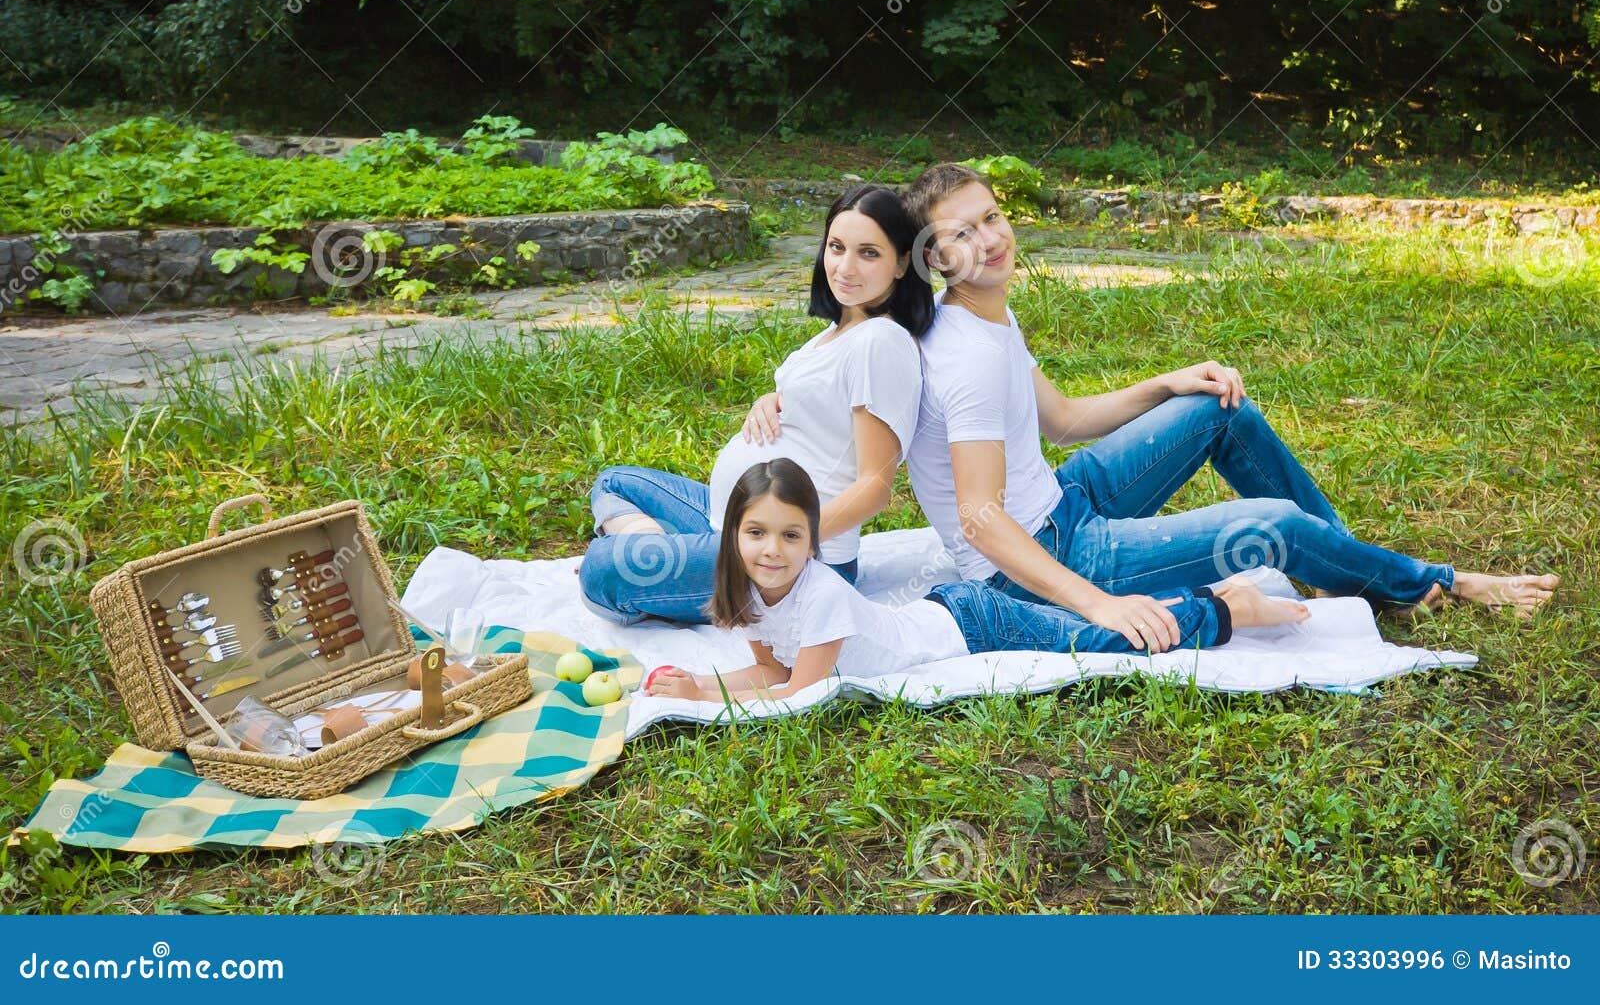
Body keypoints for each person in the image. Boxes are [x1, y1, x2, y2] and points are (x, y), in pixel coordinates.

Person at [893, 162, 1558, 654]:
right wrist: (1098, 605)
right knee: (1275, 526)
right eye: (962, 233)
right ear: (934, 257)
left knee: (1220, 408)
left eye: (991, 217)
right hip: (1044, 558)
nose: (988, 238)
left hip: (1065, 502)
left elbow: (1062, 419)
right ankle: (1435, 582)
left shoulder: (982, 315)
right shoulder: (967, 356)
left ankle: (1342, 571)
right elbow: (981, 521)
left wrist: (1169, 383)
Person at [644, 459, 1310, 702]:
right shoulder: (753, 596)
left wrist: (704, 698)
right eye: (756, 533)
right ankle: (1209, 603)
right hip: (952, 613)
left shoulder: (816, 595)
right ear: (733, 534)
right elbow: (766, 674)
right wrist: (697, 684)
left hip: (971, 624)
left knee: (1098, 645)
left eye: (792, 535)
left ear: (814, 541)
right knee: (1083, 636)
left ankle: (1226, 609)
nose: (772, 550)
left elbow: (800, 693)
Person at [578, 184, 935, 624]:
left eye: (868, 253)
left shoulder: (881, 340)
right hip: (735, 522)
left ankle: (666, 570)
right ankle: (673, 562)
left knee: (601, 569)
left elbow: (875, 487)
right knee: (617, 482)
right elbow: (825, 407)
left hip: (792, 560)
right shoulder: (839, 331)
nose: (844, 267)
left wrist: (789, 543)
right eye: (836, 247)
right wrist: (773, 399)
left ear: (902, 263)